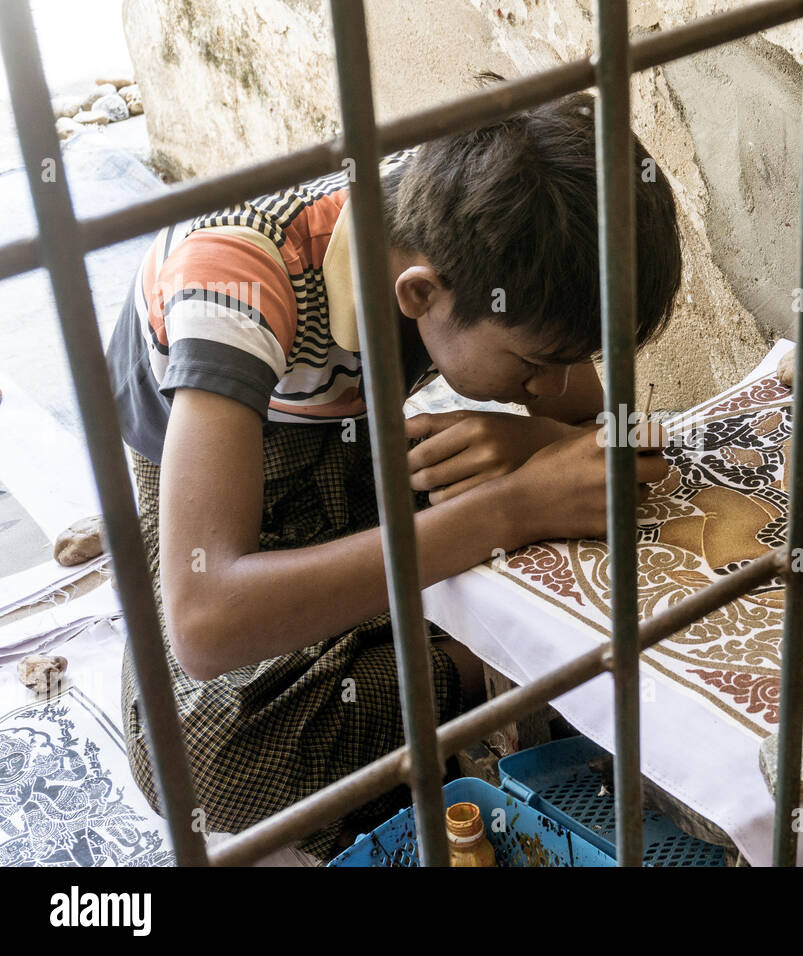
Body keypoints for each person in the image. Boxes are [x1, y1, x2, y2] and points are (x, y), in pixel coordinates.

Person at [104, 71, 681, 861]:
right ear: (418, 296)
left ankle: (408, 671)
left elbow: (592, 409)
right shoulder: (233, 281)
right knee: (200, 757)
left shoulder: (471, 229)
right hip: (222, 447)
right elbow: (206, 622)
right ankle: (468, 669)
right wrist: (511, 508)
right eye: (536, 364)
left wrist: (526, 440)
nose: (551, 385)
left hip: (356, 419)